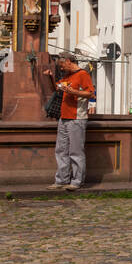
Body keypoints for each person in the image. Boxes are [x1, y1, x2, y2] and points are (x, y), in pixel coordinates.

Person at [48, 54, 94, 190]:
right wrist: (50, 77)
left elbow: (91, 93)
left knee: (75, 151)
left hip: (77, 117)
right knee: (61, 149)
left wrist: (73, 91)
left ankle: (77, 181)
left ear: (68, 61)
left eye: (61, 65)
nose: (61, 68)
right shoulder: (67, 76)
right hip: (64, 116)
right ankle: (61, 180)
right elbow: (57, 88)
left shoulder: (83, 74)